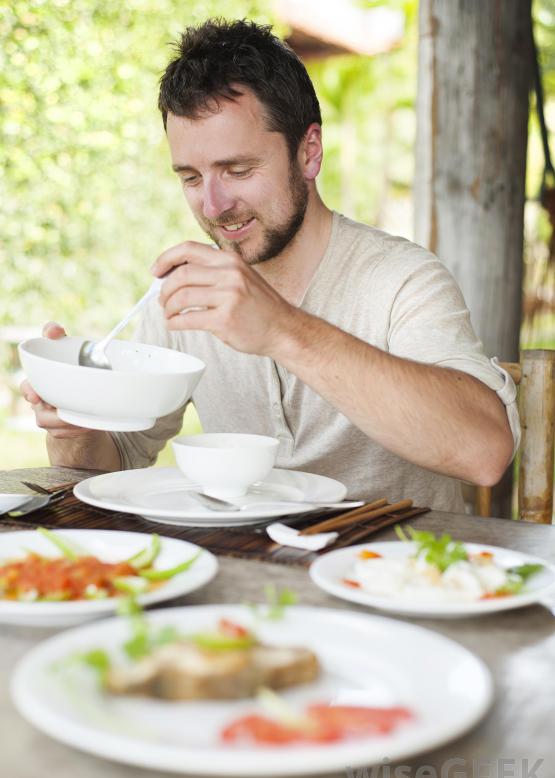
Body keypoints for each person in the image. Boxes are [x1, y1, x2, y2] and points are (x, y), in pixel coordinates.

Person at [21, 19, 519, 512]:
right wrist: (76, 425)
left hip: (396, 575)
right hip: (242, 574)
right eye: (191, 177)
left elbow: (484, 453)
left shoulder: (402, 281)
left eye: (238, 170)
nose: (213, 207)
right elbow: (110, 467)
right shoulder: (185, 294)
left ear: (309, 152)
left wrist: (281, 329)